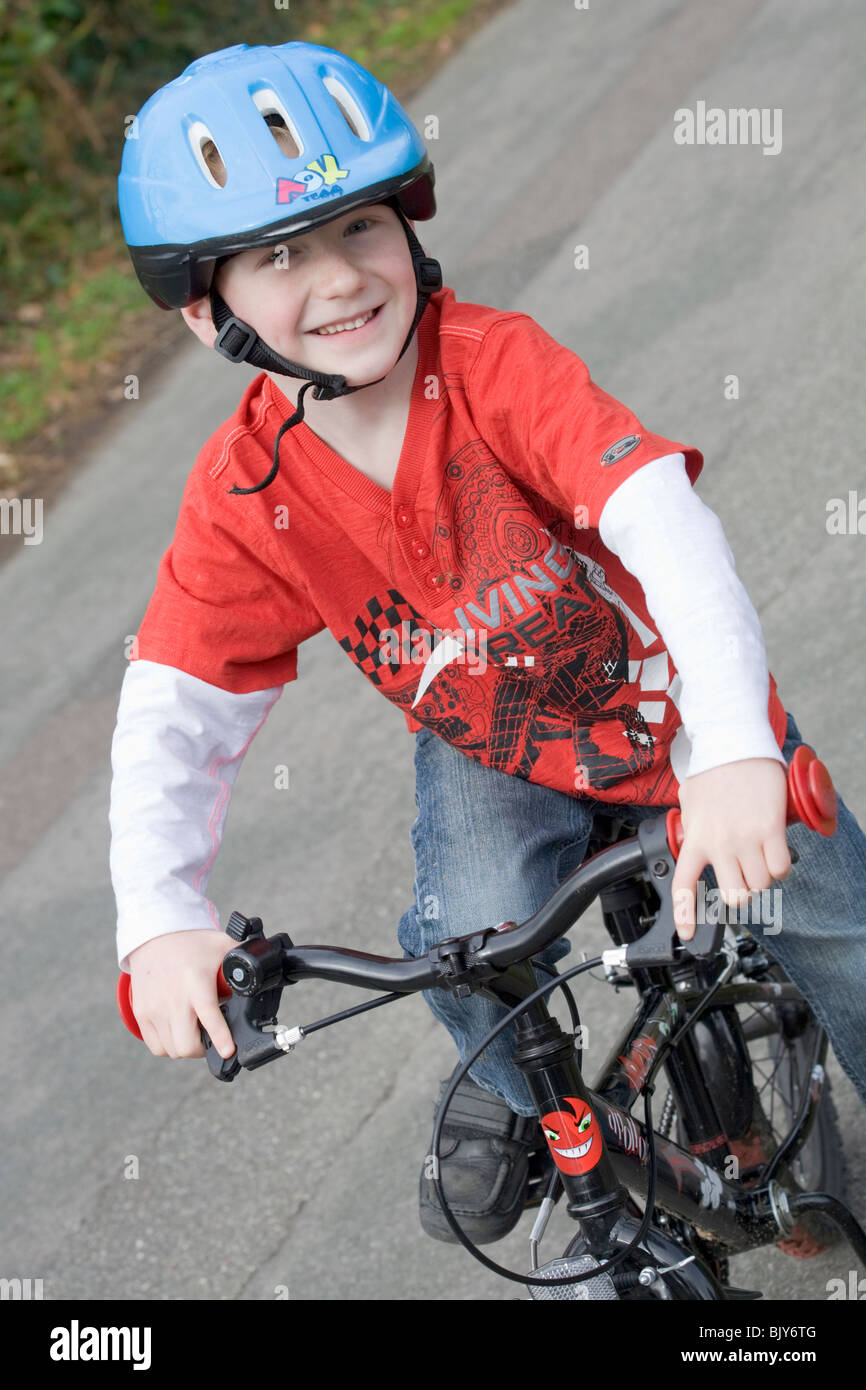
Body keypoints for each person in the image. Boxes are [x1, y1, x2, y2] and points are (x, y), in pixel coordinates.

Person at [111, 40, 866, 1251]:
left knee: (833, 924)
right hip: (495, 748)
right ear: (208, 314)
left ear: (406, 226)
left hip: (663, 702)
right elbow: (173, 704)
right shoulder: (246, 487)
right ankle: (544, 1116)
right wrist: (158, 918)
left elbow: (658, 520)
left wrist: (732, 747)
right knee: (464, 944)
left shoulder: (492, 364)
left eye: (358, 227)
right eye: (277, 256)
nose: (340, 278)